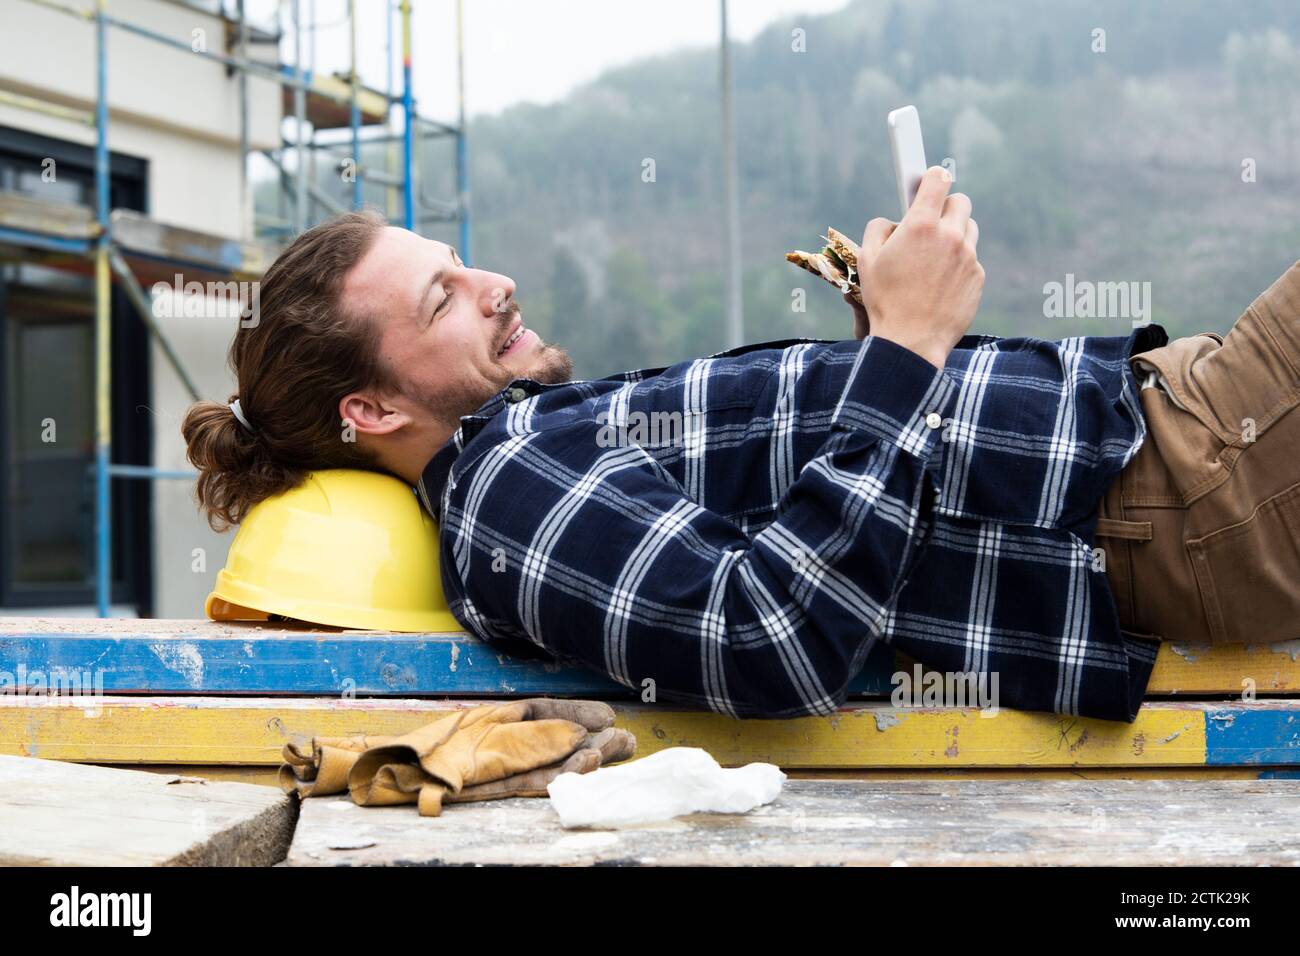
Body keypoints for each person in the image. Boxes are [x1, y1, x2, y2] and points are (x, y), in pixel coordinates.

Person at [183, 167, 1299, 723]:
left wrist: (879, 362)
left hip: (1166, 451)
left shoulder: (527, 443)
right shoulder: (501, 490)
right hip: (1174, 481)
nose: (494, 284)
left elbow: (808, 531)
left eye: (463, 262)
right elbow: (765, 632)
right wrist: (907, 352)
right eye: (443, 299)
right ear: (372, 412)